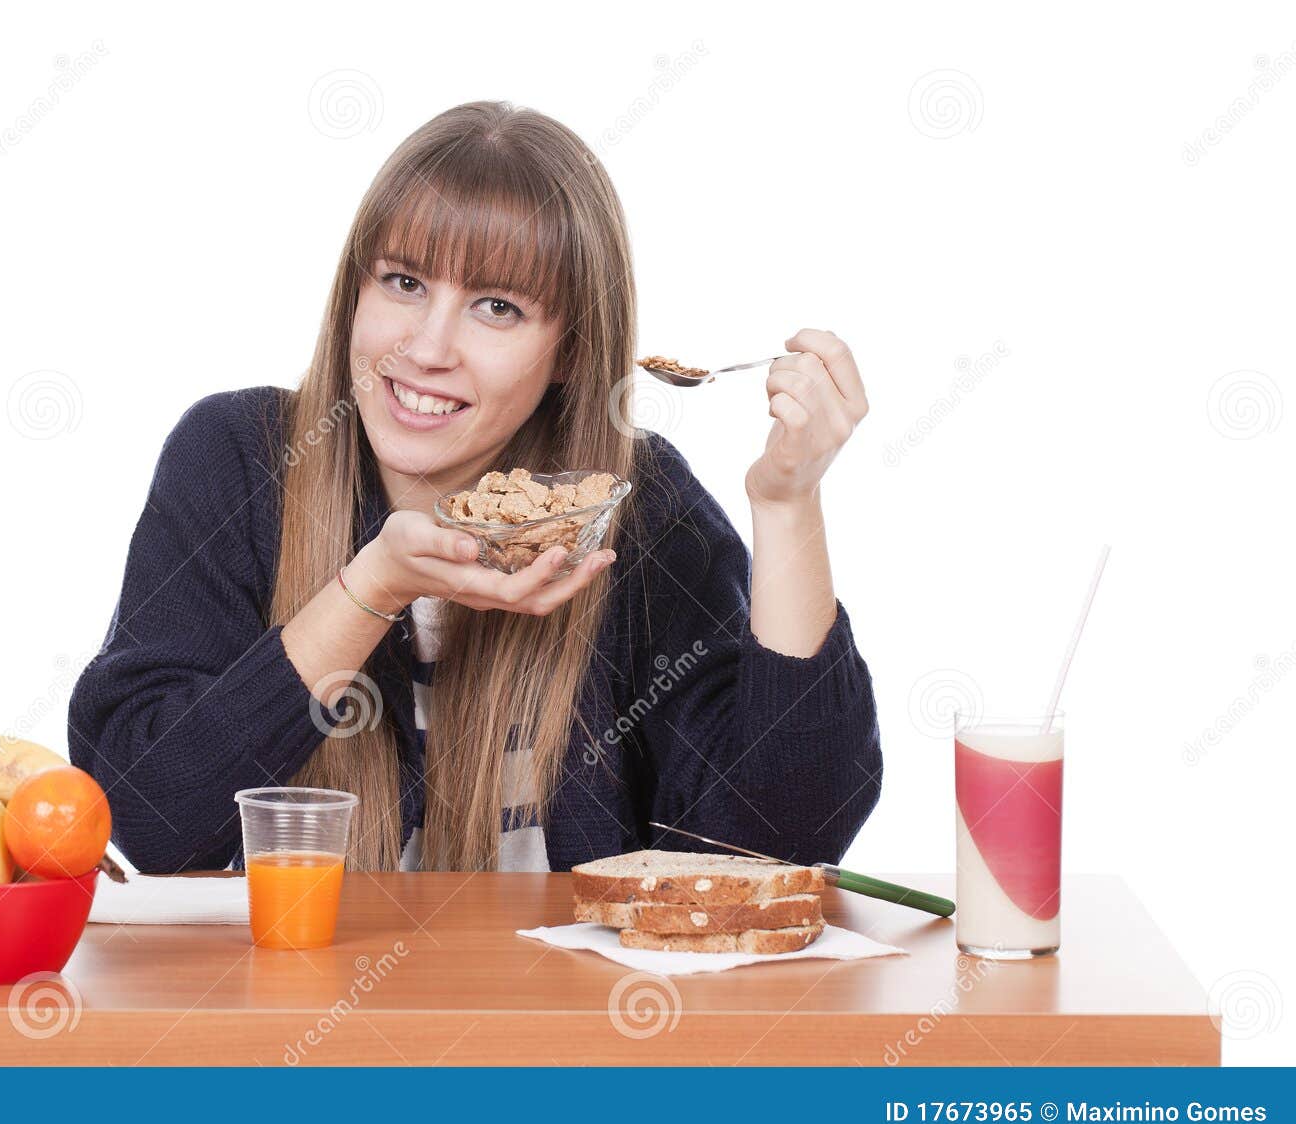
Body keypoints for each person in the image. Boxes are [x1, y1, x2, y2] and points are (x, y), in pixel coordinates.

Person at [67, 100, 881, 874]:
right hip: (302, 1010)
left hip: (567, 1018)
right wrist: (371, 587)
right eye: (404, 283)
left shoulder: (638, 506)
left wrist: (788, 504)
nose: (427, 347)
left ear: (569, 350)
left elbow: (775, 841)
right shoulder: (240, 461)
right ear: (356, 288)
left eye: (496, 306)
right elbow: (151, 817)